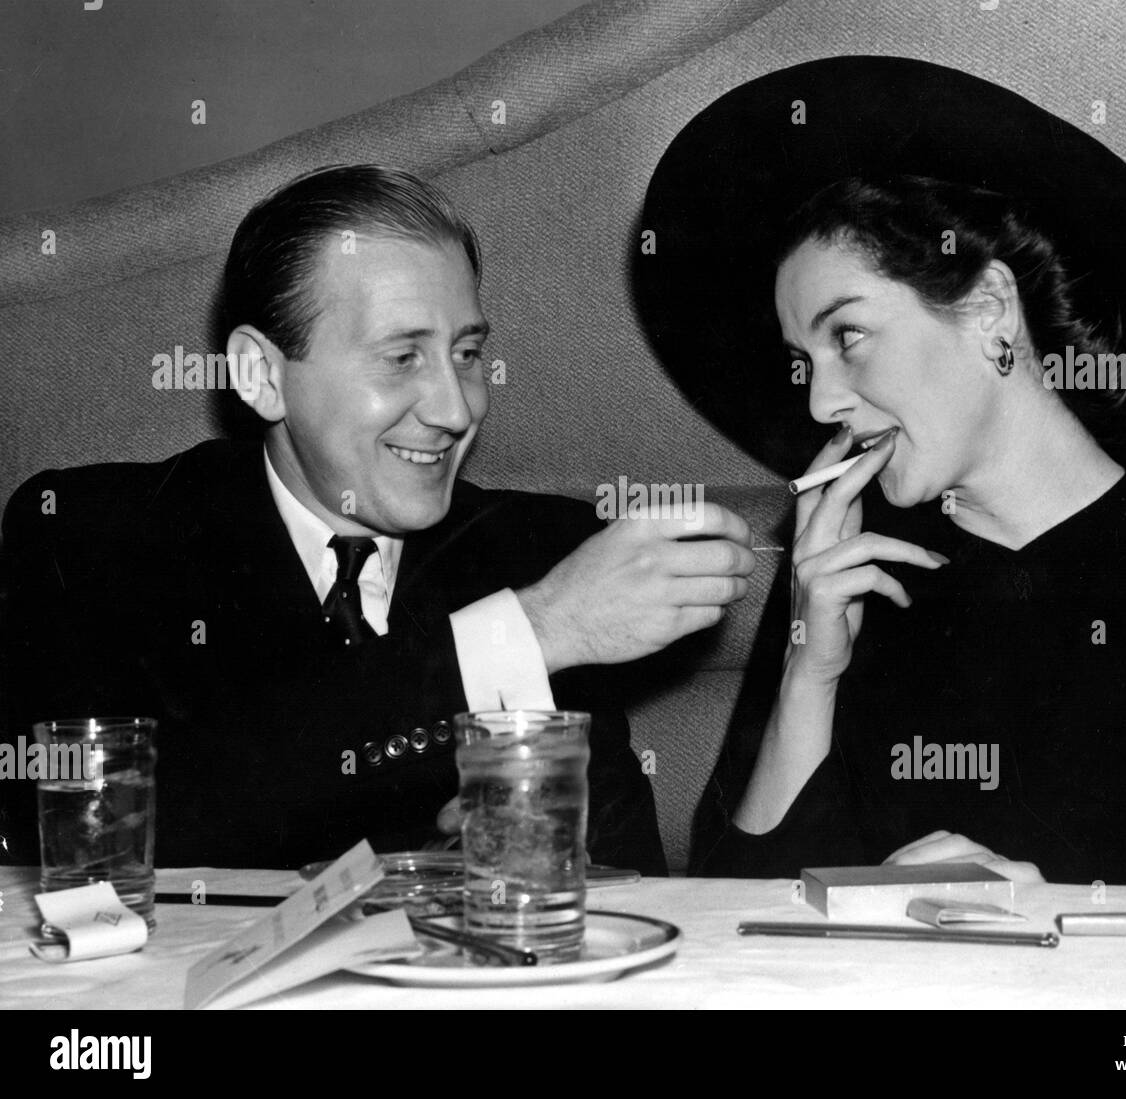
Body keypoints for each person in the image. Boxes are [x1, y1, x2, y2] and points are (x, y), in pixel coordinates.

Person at [635, 57, 1126, 889]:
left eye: (846, 337)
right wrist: (812, 668)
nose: (821, 402)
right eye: (804, 361)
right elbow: (736, 913)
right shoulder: (844, 571)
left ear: (989, 307)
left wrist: (1061, 921)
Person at [0, 164, 758, 873]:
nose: (456, 409)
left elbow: (623, 881)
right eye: (402, 358)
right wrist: (527, 634)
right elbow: (104, 843)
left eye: (466, 354)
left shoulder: (540, 553)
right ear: (262, 376)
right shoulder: (93, 537)